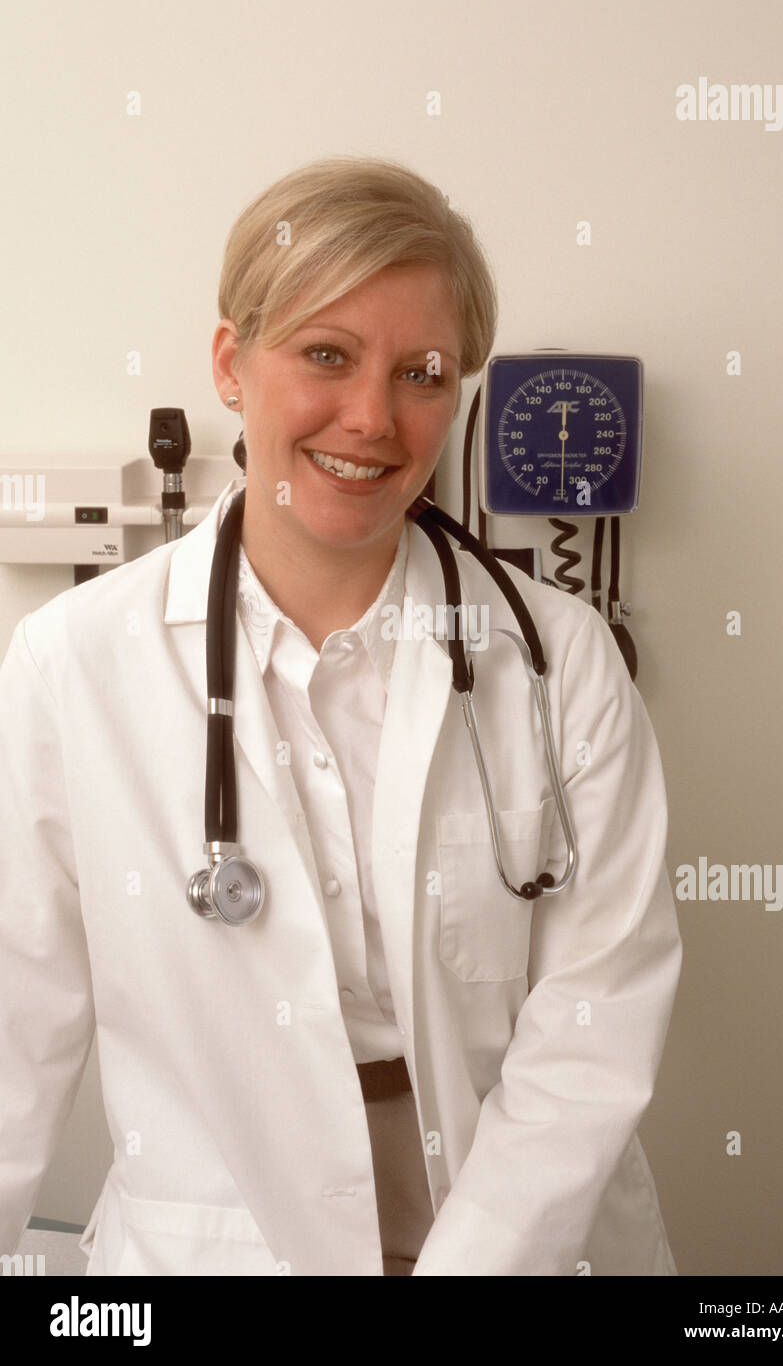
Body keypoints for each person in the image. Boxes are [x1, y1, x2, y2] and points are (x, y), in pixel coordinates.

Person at [0, 155, 682, 1276]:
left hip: (519, 1221)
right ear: (231, 362)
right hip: (218, 1239)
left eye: (422, 372)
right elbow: (14, 1025)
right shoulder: (75, 666)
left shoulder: (558, 662)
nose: (371, 419)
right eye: (325, 354)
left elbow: (594, 1016)